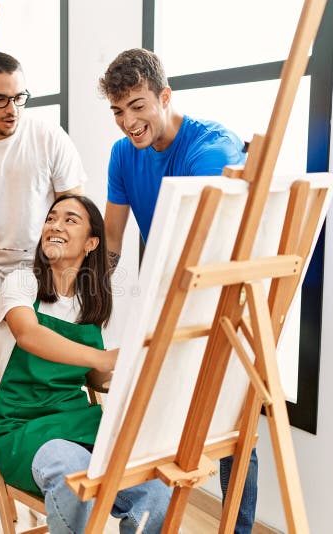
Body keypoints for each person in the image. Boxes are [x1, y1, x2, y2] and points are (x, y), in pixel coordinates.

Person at [100, 48, 258, 533]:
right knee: (155, 421)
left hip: (223, 299)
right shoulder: (124, 154)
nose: (129, 121)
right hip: (168, 297)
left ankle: (239, 527)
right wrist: (90, 302)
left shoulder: (210, 148)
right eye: (119, 111)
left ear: (165, 96)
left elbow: (199, 242)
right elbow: (111, 240)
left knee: (233, 431)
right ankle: (149, 520)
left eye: (139, 106)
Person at [0, 51, 87, 534]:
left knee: (49, 381)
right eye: (0, 99)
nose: (12, 109)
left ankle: (44, 473)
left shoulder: (46, 136)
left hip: (41, 283)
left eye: (20, 97)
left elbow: (75, 205)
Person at [0, 195, 171, 534]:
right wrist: (104, 357)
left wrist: (139, 369)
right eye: (51, 218)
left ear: (91, 242)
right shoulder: (21, 283)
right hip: (24, 429)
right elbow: (29, 335)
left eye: (70, 220)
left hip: (81, 423)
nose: (55, 225)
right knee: (75, 470)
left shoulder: (93, 301)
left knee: (157, 488)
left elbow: (98, 378)